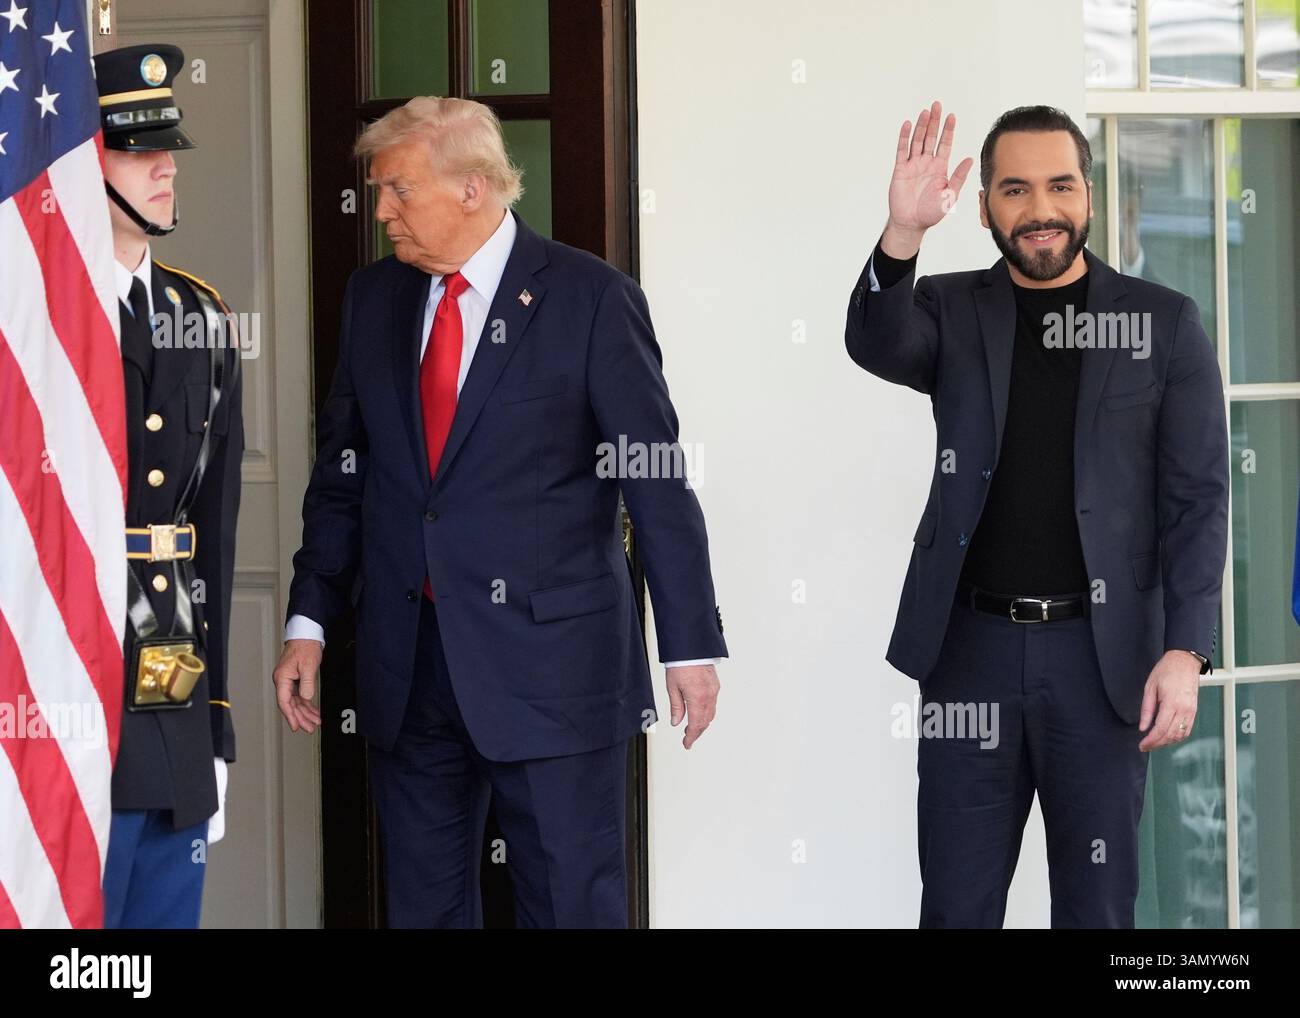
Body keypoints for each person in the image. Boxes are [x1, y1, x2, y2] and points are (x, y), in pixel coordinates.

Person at [273, 96, 727, 928]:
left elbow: (654, 477)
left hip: (556, 667)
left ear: (475, 188)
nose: (380, 213)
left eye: (399, 191)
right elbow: (344, 471)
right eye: (378, 192)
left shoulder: (590, 297)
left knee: (567, 905)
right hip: (409, 668)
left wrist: (688, 643)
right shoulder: (373, 299)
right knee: (423, 909)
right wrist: (309, 619)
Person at [845, 102, 1228, 928]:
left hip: (1106, 664)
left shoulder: (1163, 325)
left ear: (1088, 196)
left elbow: (1198, 500)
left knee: (1096, 909)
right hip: (969, 655)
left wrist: (1187, 649)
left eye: (1059, 185)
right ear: (984, 207)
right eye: (1014, 190)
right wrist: (901, 233)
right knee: (956, 904)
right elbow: (876, 343)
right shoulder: (949, 310)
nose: (1040, 209)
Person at [94, 43, 244, 929]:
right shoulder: (31, 315)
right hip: (63, 691)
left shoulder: (202, 314)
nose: (164, 167)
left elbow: (213, 529)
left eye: (169, 148)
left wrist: (215, 721)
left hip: (171, 684)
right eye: (135, 149)